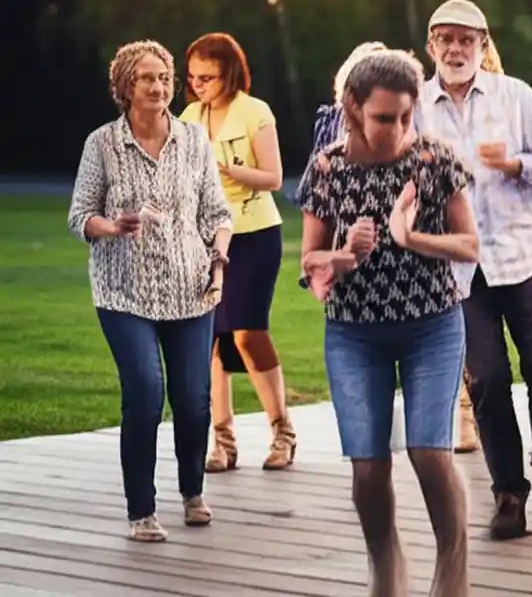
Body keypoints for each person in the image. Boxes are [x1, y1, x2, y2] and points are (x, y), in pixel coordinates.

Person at [299, 50, 475, 596]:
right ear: (352, 108)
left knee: (428, 450)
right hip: (354, 332)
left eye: (405, 116)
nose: (397, 130)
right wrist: (340, 259)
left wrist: (411, 238)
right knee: (368, 468)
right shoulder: (326, 167)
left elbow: (470, 245)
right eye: (382, 118)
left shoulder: (435, 159)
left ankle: (452, 568)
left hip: (432, 326)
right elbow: (308, 262)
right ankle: (385, 564)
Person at [415, 0, 532, 540]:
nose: (456, 49)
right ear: (430, 45)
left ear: (484, 45)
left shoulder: (516, 96)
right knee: (486, 381)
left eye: (467, 39)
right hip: (460, 269)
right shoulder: (416, 107)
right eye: (446, 39)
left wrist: (516, 164)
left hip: (524, 255)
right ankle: (508, 494)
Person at [68, 39, 234, 542]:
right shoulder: (102, 144)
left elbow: (218, 214)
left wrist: (219, 261)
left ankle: (192, 493)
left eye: (164, 77)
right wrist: (112, 227)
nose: (158, 86)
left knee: (193, 398)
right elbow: (80, 216)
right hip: (124, 294)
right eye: (146, 78)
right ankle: (142, 511)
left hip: (191, 287)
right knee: (144, 393)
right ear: (125, 86)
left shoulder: (194, 140)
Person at [178, 32, 295, 473]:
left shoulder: (254, 111)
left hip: (253, 233)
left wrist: (233, 171)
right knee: (208, 339)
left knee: (247, 332)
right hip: (204, 238)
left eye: (207, 76)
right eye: (193, 77)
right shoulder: (190, 116)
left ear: (229, 71)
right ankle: (222, 442)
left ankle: (282, 431)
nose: (199, 84)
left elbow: (275, 178)